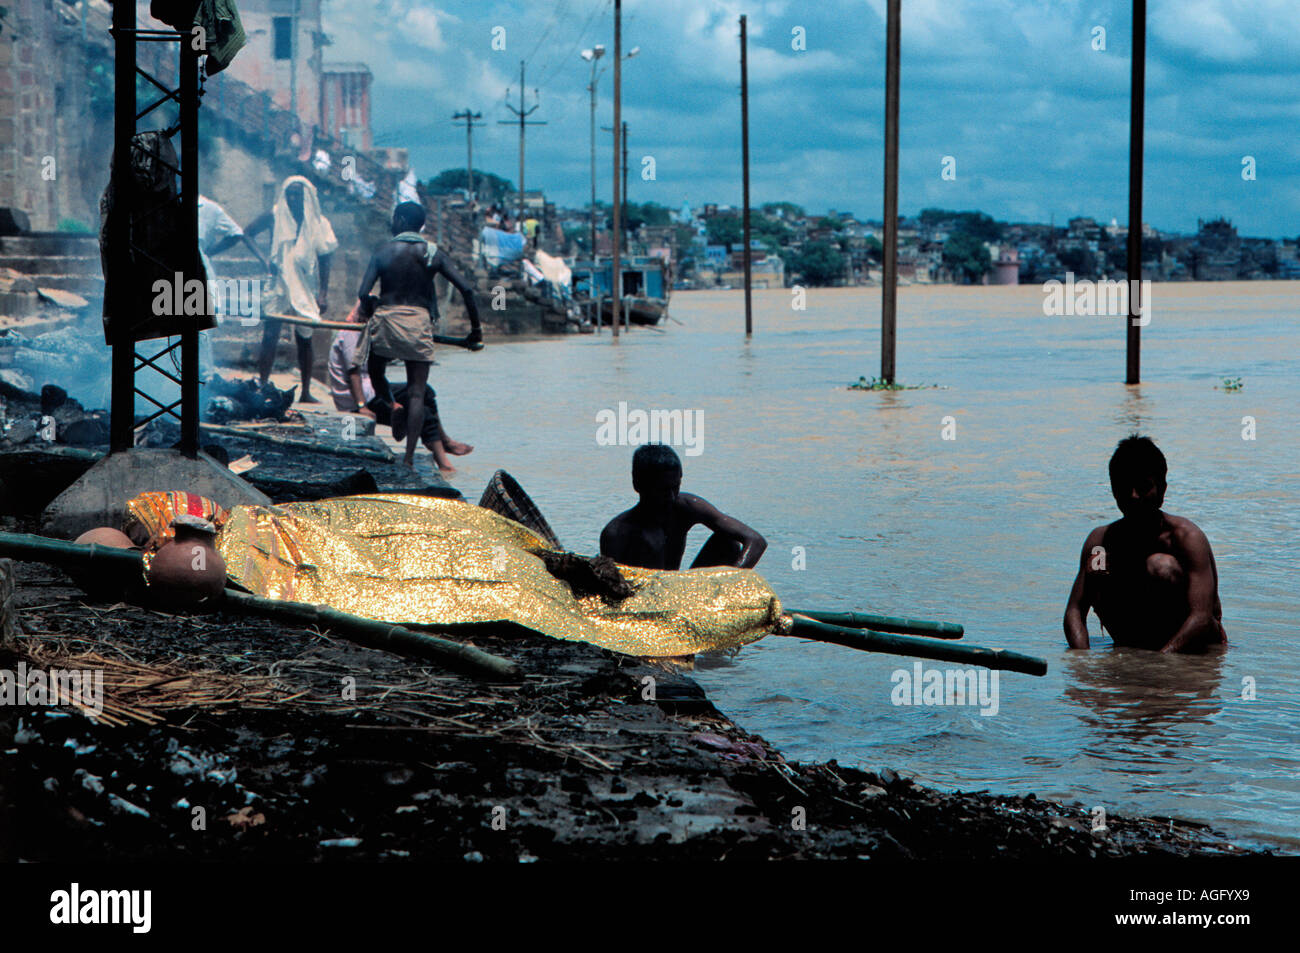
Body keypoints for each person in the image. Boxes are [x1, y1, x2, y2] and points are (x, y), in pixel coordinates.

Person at [1064, 435, 1227, 653]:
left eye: (1143, 487)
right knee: (1097, 565)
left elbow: (1202, 618)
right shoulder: (1102, 542)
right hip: (1133, 643)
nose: (1133, 496)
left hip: (1192, 647)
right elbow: (1075, 611)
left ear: (1162, 490)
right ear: (1113, 490)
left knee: (1160, 566)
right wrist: (1081, 661)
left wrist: (1158, 663)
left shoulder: (1186, 538)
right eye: (1124, 487)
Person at [355, 200, 482, 469]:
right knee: (417, 392)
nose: (392, 223)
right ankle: (409, 459)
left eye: (393, 218)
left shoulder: (383, 252)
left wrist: (369, 309)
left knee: (376, 371)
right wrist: (476, 331)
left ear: (400, 220)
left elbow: (363, 293)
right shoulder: (433, 253)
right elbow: (467, 290)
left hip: (387, 319)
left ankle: (390, 406)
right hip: (418, 323)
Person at [327, 304, 473, 473]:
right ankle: (444, 457)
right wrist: (362, 406)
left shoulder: (365, 331)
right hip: (357, 399)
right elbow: (353, 373)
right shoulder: (352, 333)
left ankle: (443, 455)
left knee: (424, 395)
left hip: (369, 392)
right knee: (422, 405)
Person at [600, 444, 766, 570]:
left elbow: (756, 541)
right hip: (644, 599)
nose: (671, 496)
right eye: (663, 490)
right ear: (638, 484)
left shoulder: (686, 507)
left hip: (683, 591)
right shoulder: (616, 533)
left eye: (676, 487)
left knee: (727, 542)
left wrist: (733, 577)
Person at [246, 176, 337, 403]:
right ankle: (263, 384)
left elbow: (325, 258)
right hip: (278, 282)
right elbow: (247, 233)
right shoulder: (276, 215)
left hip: (305, 284)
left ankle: (306, 392)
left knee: (305, 338)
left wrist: (323, 294)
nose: (293, 199)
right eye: (290, 194)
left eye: (298, 194)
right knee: (270, 334)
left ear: (307, 196)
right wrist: (263, 259)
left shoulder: (319, 222)